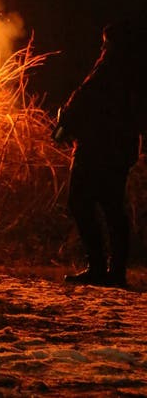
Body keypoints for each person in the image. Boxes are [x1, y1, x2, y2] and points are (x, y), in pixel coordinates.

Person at [54, 18, 146, 287]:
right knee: (111, 206)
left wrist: (66, 121)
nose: (103, 46)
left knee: (81, 201)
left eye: (106, 42)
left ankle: (99, 267)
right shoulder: (129, 73)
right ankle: (114, 271)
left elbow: (87, 101)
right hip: (117, 149)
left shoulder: (111, 70)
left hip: (97, 149)